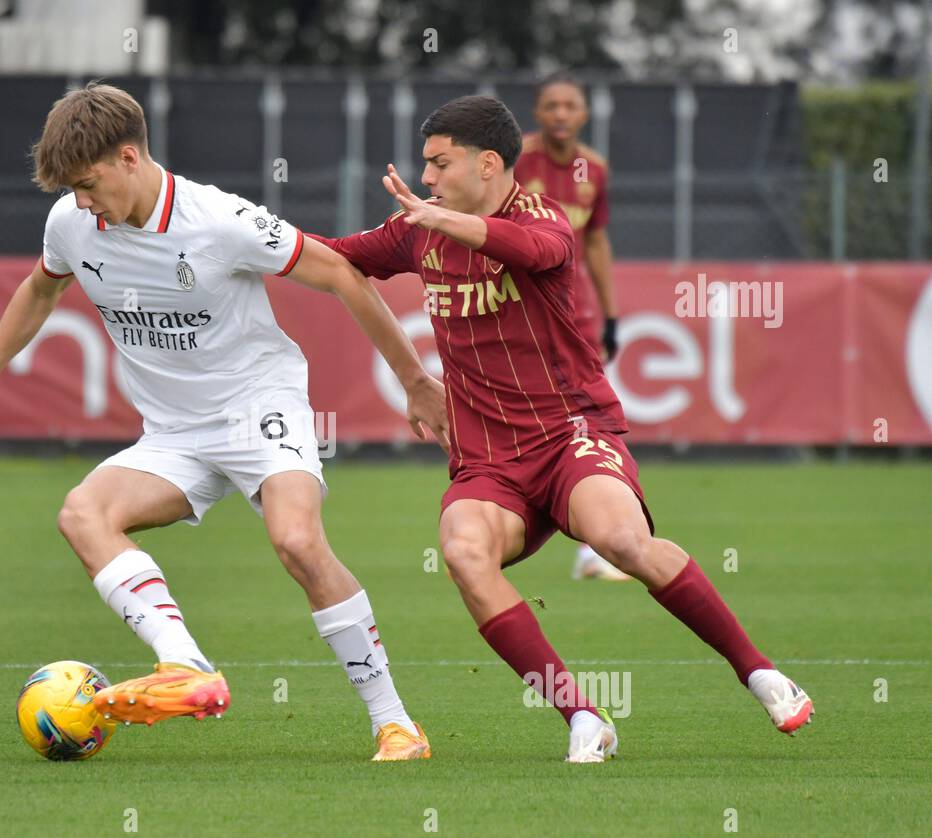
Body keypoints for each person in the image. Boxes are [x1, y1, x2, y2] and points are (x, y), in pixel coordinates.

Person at [0, 82, 450, 760]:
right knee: (83, 514)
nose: (82, 202)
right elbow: (40, 288)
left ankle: (396, 723)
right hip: (173, 434)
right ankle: (188, 667)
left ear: (129, 157)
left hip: (260, 407)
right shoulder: (70, 222)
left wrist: (414, 381)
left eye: (88, 184)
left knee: (296, 542)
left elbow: (345, 275)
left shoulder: (219, 221)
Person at [315, 94, 813, 762]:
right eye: (425, 168)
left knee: (619, 540)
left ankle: (758, 670)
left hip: (570, 436)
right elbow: (331, 257)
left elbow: (532, 247)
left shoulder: (542, 218)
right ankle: (583, 717)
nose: (425, 179)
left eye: (439, 164)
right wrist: (230, 235)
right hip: (488, 459)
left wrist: (440, 220)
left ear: (487, 164)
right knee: (464, 552)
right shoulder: (418, 229)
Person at [515, 71, 629, 582]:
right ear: (538, 113)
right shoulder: (515, 159)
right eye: (551, 105)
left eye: (570, 106)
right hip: (516, 312)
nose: (561, 114)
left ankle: (596, 543)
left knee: (588, 422)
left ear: (584, 114)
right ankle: (494, 520)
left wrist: (609, 314)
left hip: (573, 317)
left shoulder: (596, 170)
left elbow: (598, 243)